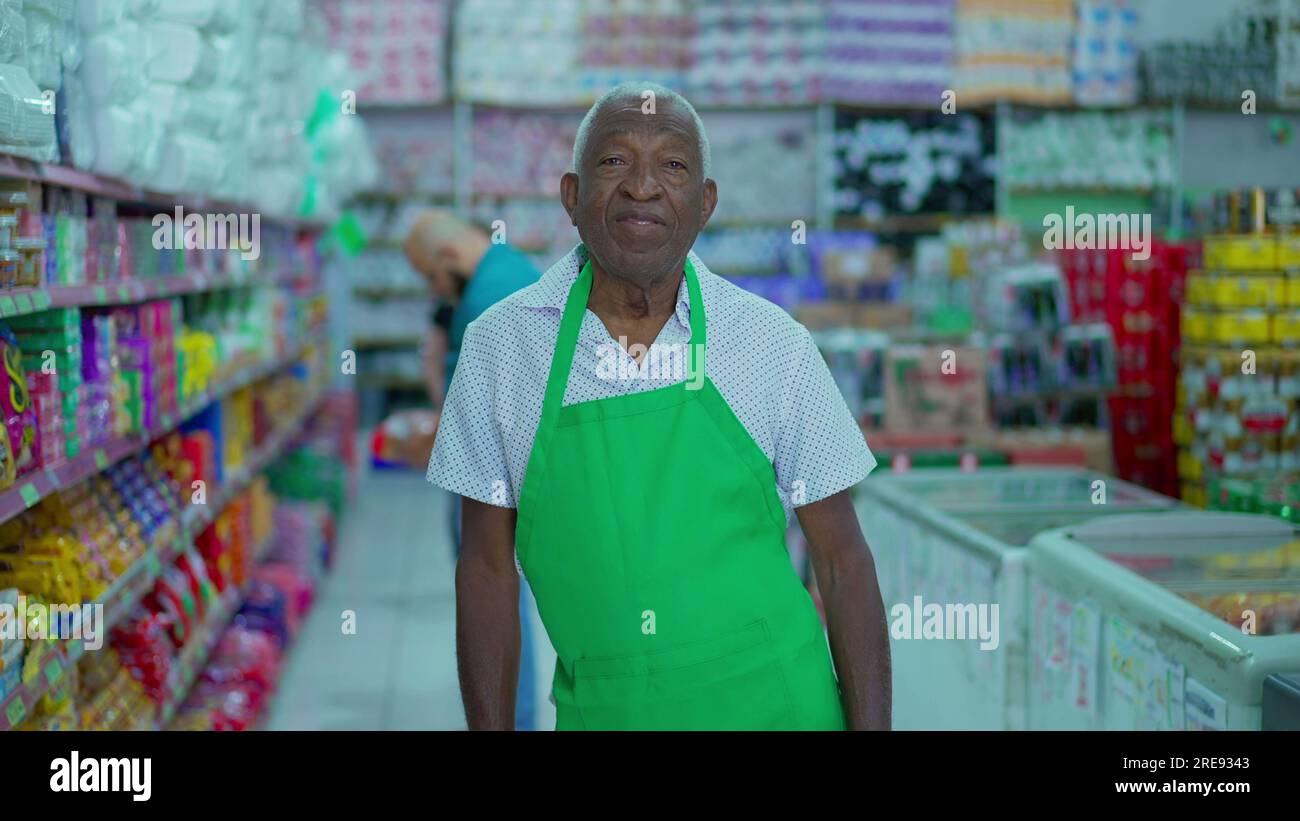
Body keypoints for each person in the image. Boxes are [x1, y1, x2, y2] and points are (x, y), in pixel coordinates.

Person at [427, 83, 892, 730]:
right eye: (614, 161)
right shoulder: (501, 349)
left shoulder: (770, 341)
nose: (642, 186)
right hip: (609, 711)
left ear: (704, 204)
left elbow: (843, 560)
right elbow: (484, 570)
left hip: (781, 704)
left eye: (672, 165)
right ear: (571, 195)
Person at [402, 209, 542, 731]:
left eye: (432, 279)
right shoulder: (504, 268)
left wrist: (429, 442)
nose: (437, 292)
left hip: (499, 474)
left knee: (495, 599)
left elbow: (488, 409)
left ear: (448, 257)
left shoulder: (488, 297)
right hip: (503, 465)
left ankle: (514, 720)